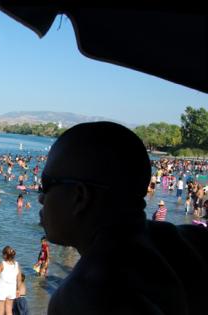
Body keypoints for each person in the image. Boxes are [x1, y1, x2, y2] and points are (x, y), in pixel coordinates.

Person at [40, 122, 208, 314]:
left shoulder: (84, 295)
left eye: (46, 184)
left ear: (79, 197)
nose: (40, 197)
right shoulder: (190, 240)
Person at [0, 246, 21, 315]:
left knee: (0, 311)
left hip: (1, 289)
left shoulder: (1, 264)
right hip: (11, 290)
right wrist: (18, 289)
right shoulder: (16, 264)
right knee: (9, 310)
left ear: (5, 255)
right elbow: (19, 278)